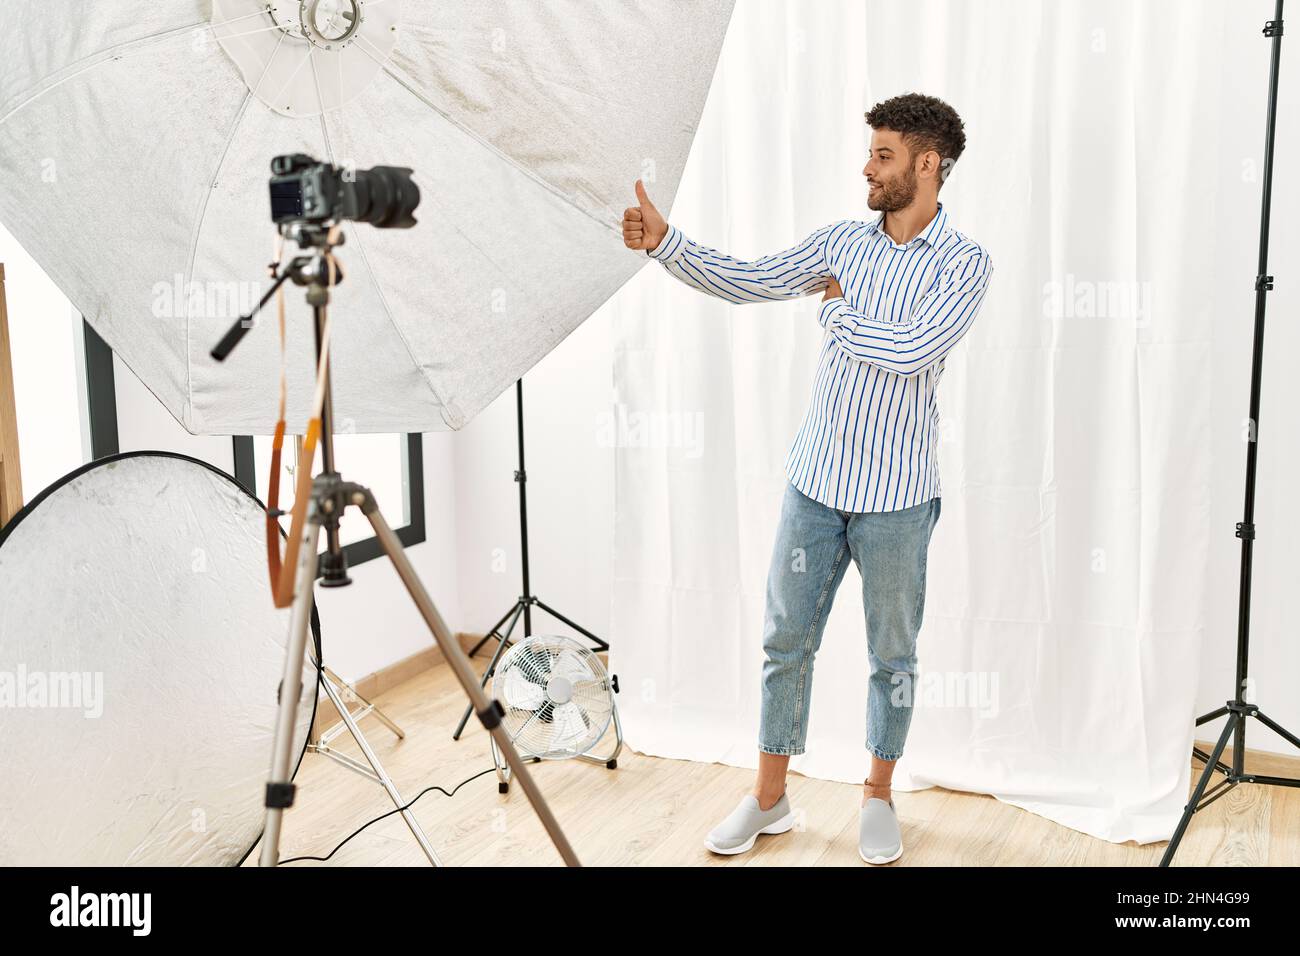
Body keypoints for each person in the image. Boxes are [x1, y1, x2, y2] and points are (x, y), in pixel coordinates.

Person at [621, 92, 993, 864]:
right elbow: (752, 279)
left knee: (893, 656)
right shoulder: (840, 244)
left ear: (928, 165)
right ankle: (769, 799)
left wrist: (834, 315)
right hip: (815, 486)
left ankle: (878, 797)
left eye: (884, 154)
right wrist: (668, 244)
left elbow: (913, 351)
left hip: (898, 499)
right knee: (785, 644)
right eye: (871, 152)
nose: (868, 166)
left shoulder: (966, 263)